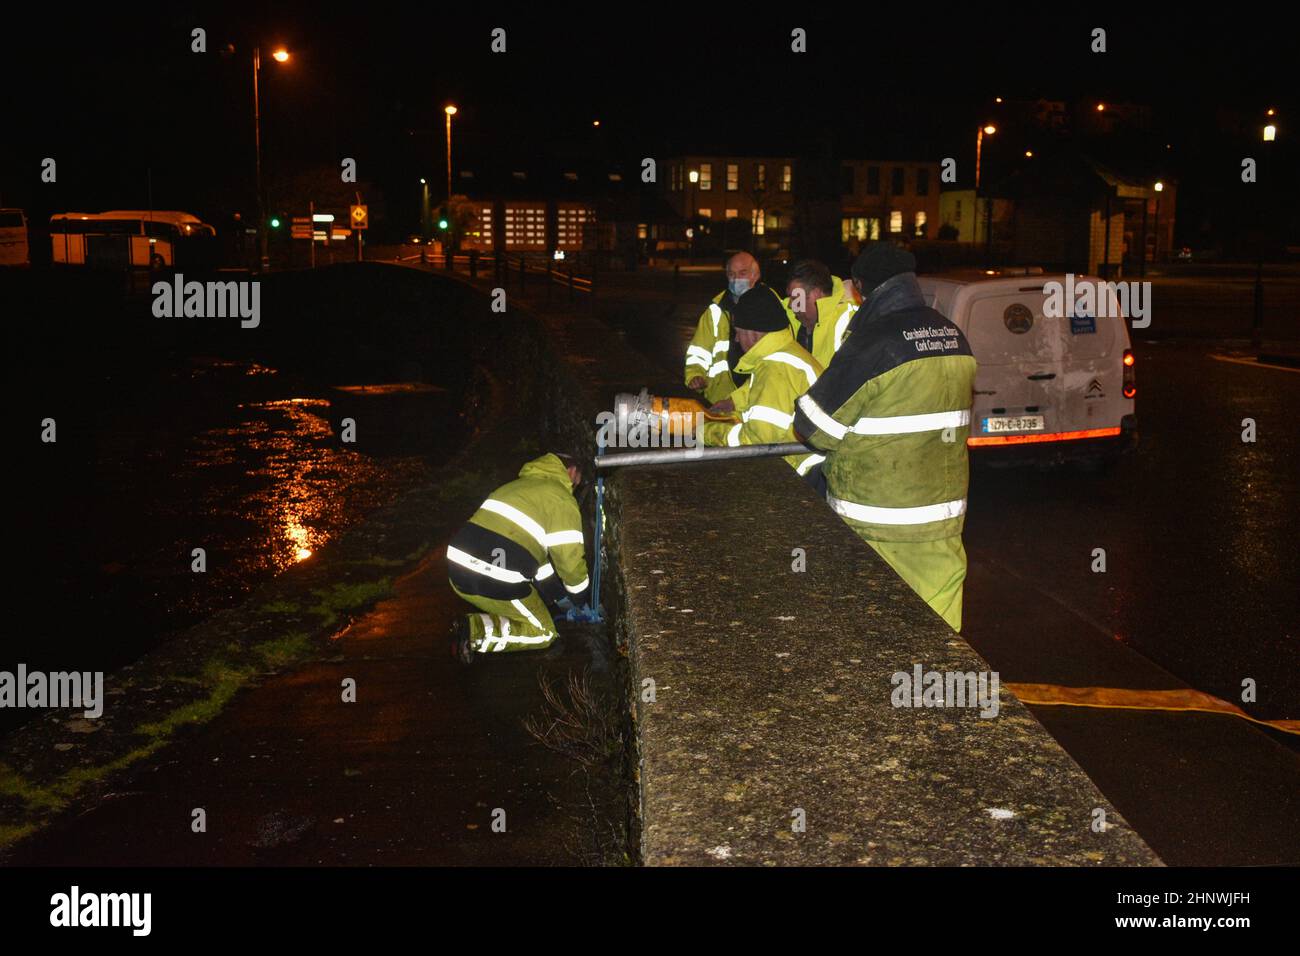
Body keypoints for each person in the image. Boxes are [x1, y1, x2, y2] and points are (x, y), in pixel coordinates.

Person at [792, 242, 977, 631]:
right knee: (940, 641)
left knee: (876, 638)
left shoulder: (873, 343)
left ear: (860, 286)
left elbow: (813, 427)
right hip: (942, 523)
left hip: (878, 528)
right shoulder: (953, 335)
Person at [445, 452, 591, 663]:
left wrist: (558, 598)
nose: (575, 487)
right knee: (543, 632)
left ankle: (469, 628)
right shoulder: (561, 498)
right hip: (495, 575)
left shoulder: (513, 487)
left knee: (518, 607)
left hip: (457, 569)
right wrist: (580, 598)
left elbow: (537, 561)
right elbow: (569, 562)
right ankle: (472, 633)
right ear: (571, 471)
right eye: (577, 482)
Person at [701, 286, 824, 484]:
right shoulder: (785, 353)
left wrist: (703, 431)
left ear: (754, 333)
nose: (737, 338)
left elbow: (757, 441)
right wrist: (733, 402)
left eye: (739, 332)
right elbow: (765, 395)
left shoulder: (775, 368)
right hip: (814, 464)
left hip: (807, 476)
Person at [683, 251, 782, 405]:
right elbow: (699, 350)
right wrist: (695, 375)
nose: (736, 279)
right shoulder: (716, 311)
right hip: (720, 399)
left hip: (761, 396)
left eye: (742, 273)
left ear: (756, 275)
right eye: (731, 274)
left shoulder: (771, 306)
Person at [784, 258, 859, 370]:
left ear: (817, 294)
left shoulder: (850, 320)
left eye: (796, 298)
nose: (790, 305)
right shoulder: (790, 318)